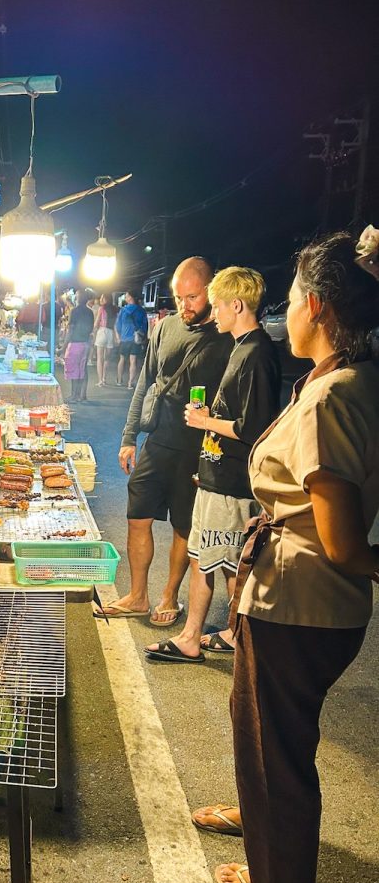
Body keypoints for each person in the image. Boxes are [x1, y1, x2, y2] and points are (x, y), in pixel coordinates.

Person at [194, 230, 379, 883]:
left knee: (279, 748)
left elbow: (342, 542)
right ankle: (260, 814)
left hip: (298, 602)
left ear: (320, 307)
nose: (287, 312)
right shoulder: (350, 378)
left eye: (295, 299)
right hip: (296, 597)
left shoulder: (334, 396)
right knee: (268, 731)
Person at [145, 267, 281, 663]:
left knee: (231, 564)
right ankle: (202, 636)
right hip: (214, 473)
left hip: (233, 481)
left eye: (218, 305)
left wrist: (206, 422)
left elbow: (254, 427)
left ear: (236, 305)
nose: (214, 312)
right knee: (206, 557)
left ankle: (242, 643)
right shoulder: (241, 346)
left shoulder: (257, 353)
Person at [102, 257, 232, 624]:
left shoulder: (225, 335)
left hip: (197, 447)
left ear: (210, 291)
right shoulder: (165, 327)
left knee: (183, 526)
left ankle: (169, 595)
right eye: (178, 298)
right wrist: (129, 436)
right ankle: (137, 595)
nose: (184, 306)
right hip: (158, 439)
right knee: (137, 515)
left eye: (192, 298)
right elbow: (145, 382)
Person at [63, 288, 95, 403]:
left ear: (78, 298)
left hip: (75, 343)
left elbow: (70, 330)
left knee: (74, 370)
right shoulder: (90, 312)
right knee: (83, 369)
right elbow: (91, 328)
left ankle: (74, 395)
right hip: (85, 343)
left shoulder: (74, 311)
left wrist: (63, 347)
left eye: (76, 295)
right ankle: (83, 395)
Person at [115, 291, 149, 388]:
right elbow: (145, 326)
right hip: (136, 339)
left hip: (124, 338)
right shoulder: (141, 310)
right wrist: (143, 337)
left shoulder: (123, 310)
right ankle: (130, 382)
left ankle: (119, 380)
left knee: (122, 359)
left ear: (130, 297)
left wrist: (118, 336)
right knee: (133, 361)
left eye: (126, 296)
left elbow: (118, 325)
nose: (125, 298)